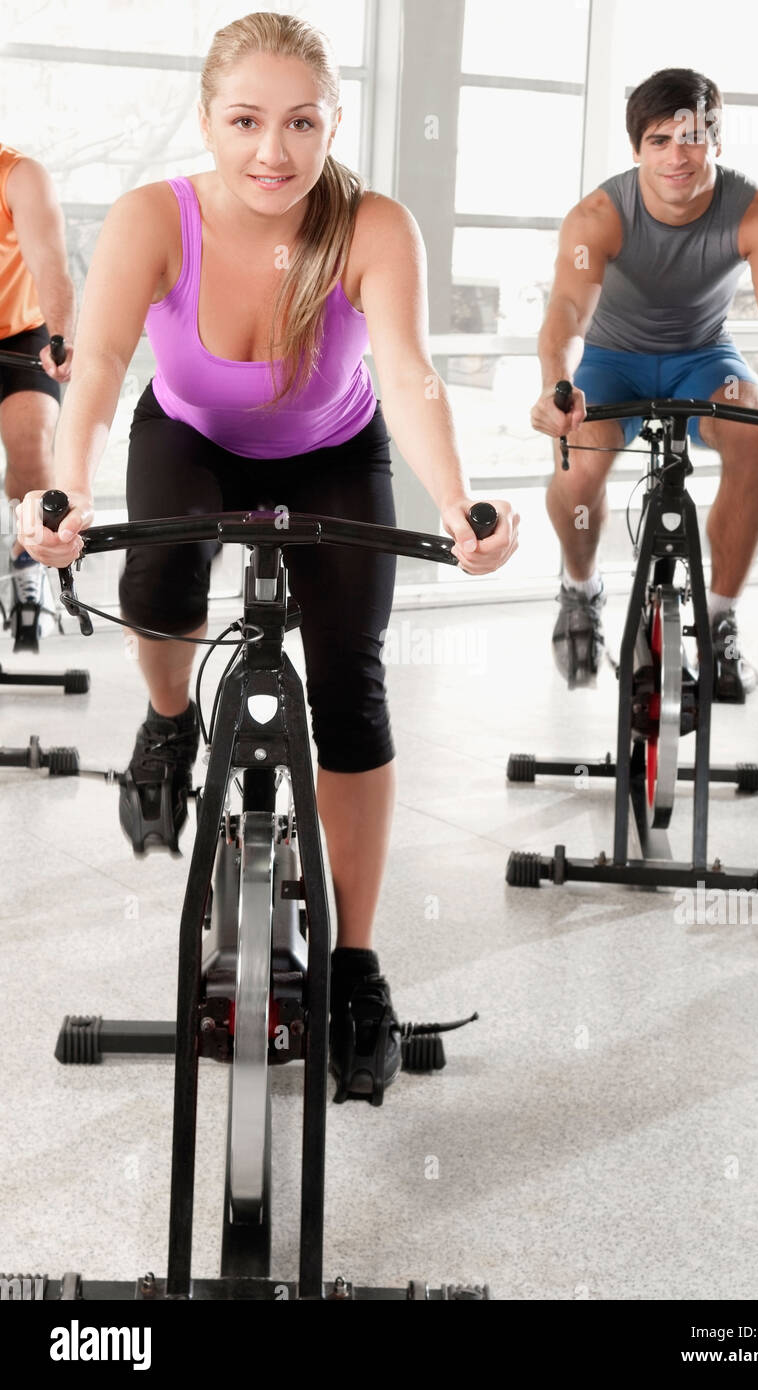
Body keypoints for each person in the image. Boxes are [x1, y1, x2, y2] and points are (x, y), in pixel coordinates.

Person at [17, 11, 518, 1104]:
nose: (272, 152)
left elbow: (406, 370)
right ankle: (165, 725)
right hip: (190, 436)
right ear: (207, 120)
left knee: (351, 686)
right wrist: (63, 486)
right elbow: (98, 358)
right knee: (156, 583)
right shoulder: (161, 214)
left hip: (334, 452)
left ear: (334, 120)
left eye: (301, 123)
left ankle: (356, 967)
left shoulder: (373, 225)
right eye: (245, 121)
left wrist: (461, 498)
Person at [531, 67, 758, 701]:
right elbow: (567, 309)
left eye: (693, 137)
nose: (678, 155)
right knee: (579, 463)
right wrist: (556, 384)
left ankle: (721, 621)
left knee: (754, 432)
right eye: (659, 140)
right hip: (610, 360)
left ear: (717, 142)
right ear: (638, 149)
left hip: (702, 358)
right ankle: (580, 590)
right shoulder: (599, 215)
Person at [0, 142, 75, 651]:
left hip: (22, 332)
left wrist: (62, 336)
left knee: (33, 445)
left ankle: (29, 571)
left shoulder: (19, 174)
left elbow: (50, 263)